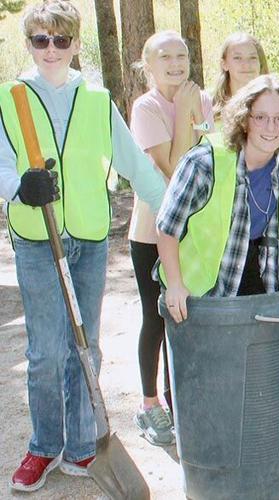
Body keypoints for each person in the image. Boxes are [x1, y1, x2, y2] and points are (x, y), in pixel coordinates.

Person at [1, 1, 166, 491]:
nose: (50, 49)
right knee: (46, 352)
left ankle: (80, 446)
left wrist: (174, 212)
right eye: (40, 40)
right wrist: (18, 187)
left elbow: (134, 163)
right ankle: (43, 446)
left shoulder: (96, 99)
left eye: (60, 40)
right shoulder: (10, 97)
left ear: (75, 44)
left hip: (88, 239)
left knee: (85, 346)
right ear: (29, 43)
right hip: (37, 238)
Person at [158, 74, 279, 311]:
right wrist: (175, 284)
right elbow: (167, 228)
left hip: (263, 280)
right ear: (244, 119)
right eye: (260, 117)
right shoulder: (204, 163)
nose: (271, 127)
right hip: (201, 292)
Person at [127, 30, 214, 447]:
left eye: (182, 56)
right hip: (152, 231)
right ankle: (150, 405)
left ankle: (179, 401)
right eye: (166, 57)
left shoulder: (203, 99)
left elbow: (211, 156)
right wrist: (183, 111)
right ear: (148, 65)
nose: (177, 64)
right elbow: (176, 167)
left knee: (187, 315)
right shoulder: (145, 108)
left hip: (195, 229)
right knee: (156, 316)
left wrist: (193, 108)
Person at [211, 32, 269, 122]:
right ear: (224, 64)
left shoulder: (276, 104)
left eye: (252, 57)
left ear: (260, 63)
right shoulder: (206, 105)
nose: (246, 65)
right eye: (237, 58)